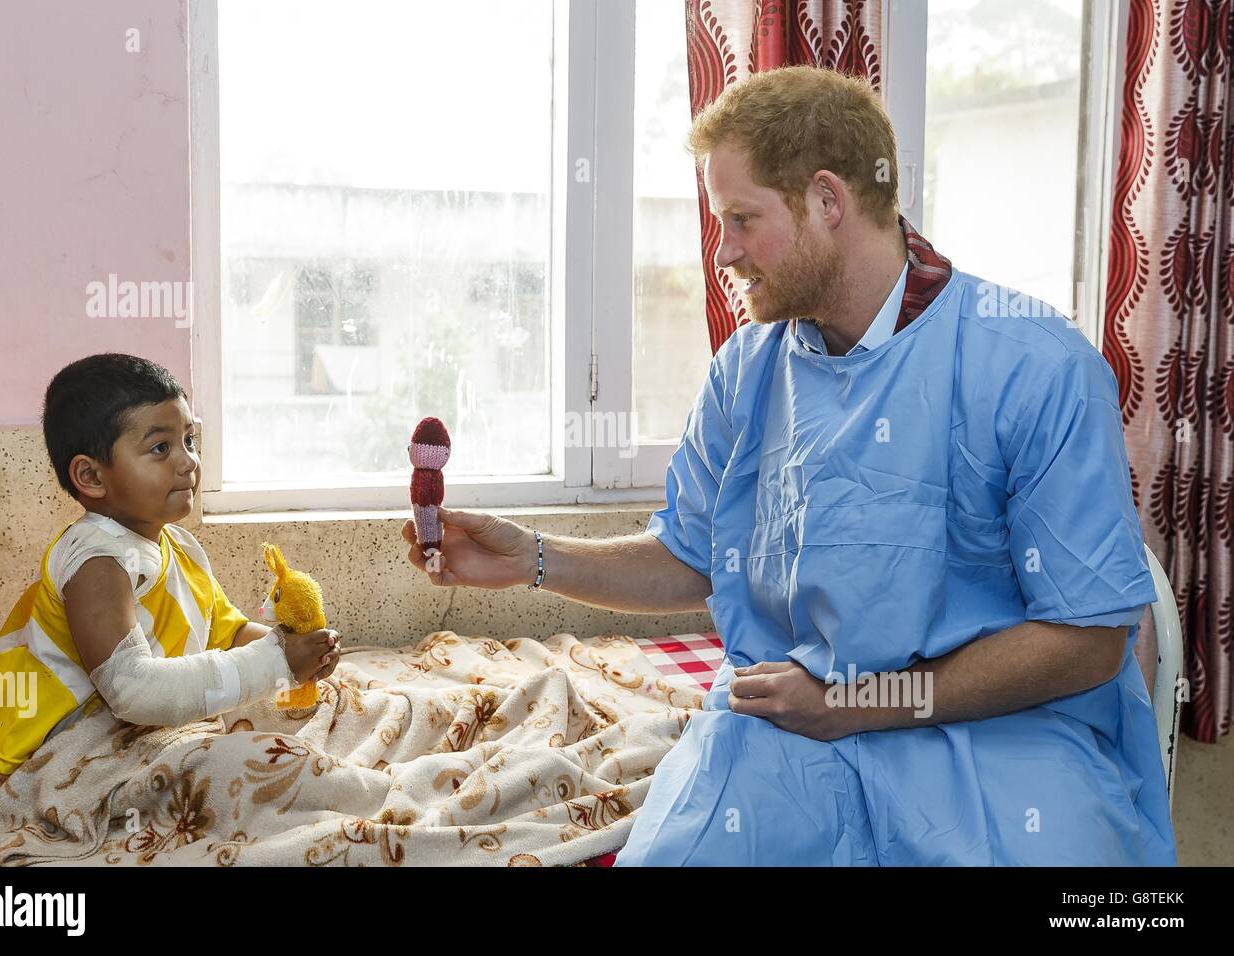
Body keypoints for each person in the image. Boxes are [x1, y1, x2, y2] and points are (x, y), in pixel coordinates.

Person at [403, 65, 1177, 866]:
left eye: (741, 219)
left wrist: (861, 703)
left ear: (827, 201)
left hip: (1008, 740)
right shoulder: (748, 370)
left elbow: (1087, 641)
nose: (724, 252)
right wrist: (530, 557)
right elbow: (692, 557)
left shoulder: (1034, 366)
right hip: (796, 732)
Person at [0, 353, 341, 776]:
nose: (188, 461)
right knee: (243, 770)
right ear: (91, 477)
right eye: (160, 448)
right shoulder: (96, 560)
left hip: (144, 731)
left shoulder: (179, 546)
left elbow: (229, 634)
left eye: (189, 440)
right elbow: (132, 691)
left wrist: (300, 652)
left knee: (332, 706)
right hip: (72, 748)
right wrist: (274, 663)